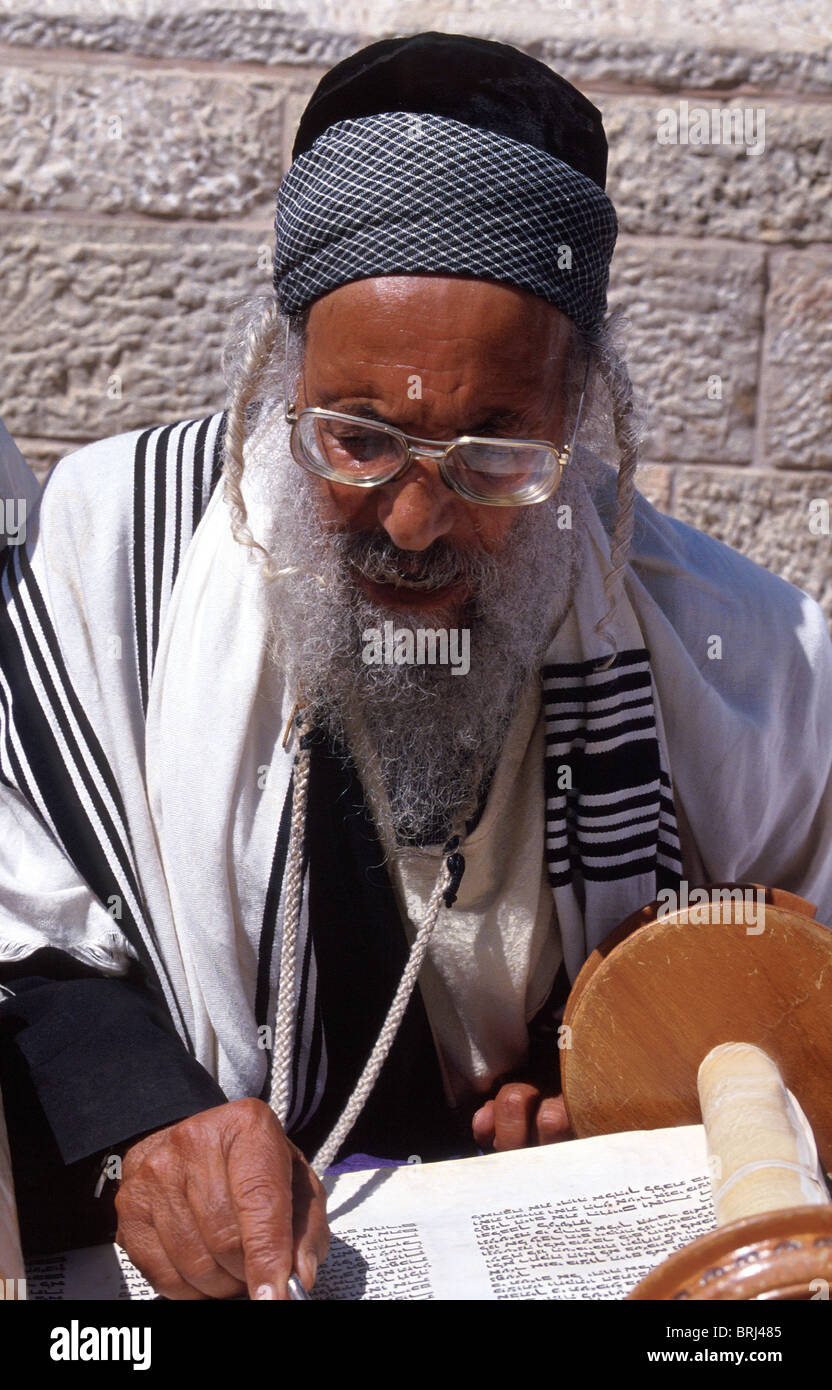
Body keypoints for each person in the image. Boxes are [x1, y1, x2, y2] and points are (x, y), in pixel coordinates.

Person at [1, 31, 830, 1302]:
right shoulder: (117, 556)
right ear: (274, 387)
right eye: (355, 436)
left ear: (584, 415)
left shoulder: (743, 654)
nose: (413, 521)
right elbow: (21, 904)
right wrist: (137, 1131)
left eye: (497, 455)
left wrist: (624, 1087)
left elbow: (796, 995)